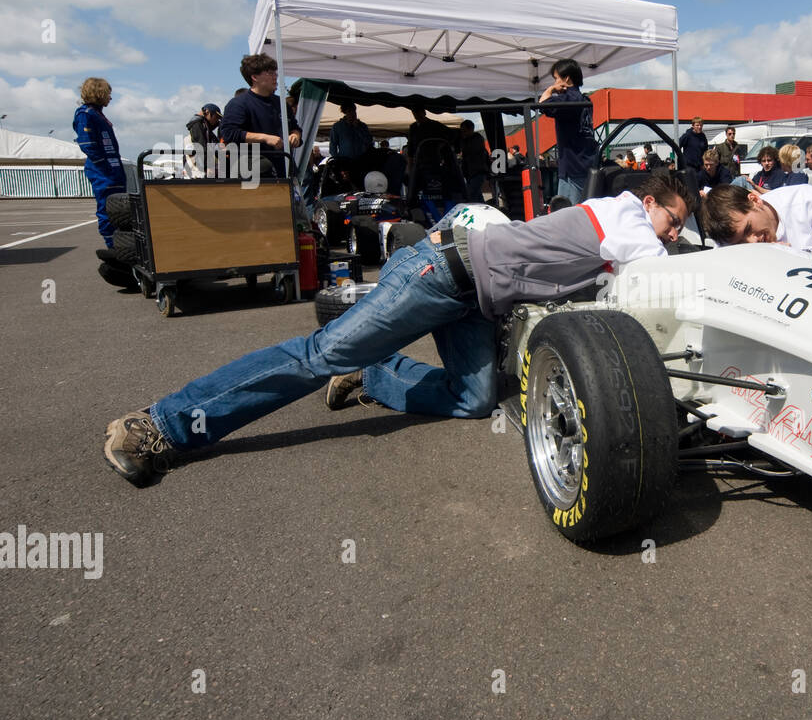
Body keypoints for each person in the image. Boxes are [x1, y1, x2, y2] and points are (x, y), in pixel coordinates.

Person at [102, 173, 695, 486]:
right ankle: (158, 425)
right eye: (673, 219)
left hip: (468, 296)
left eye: (677, 227)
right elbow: (666, 273)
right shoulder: (625, 217)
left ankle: (371, 375)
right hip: (437, 271)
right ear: (648, 202)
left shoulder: (629, 228)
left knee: (476, 399)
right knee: (317, 356)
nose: (671, 232)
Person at [220, 55, 302, 178]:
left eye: (275, 72)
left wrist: (295, 135)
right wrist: (264, 138)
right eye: (270, 73)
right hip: (254, 174)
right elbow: (230, 134)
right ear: (254, 77)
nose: (275, 76)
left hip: (285, 170)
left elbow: (295, 127)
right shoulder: (238, 104)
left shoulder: (281, 103)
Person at [73, 77, 127, 248]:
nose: (110, 98)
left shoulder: (98, 114)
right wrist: (105, 166)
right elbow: (88, 145)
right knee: (107, 208)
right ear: (99, 93)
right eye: (108, 94)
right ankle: (111, 244)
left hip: (113, 169)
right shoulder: (85, 114)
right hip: (103, 172)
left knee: (119, 208)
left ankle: (121, 243)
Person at [539, 58, 598, 204]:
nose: (554, 82)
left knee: (567, 213)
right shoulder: (585, 100)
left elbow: (542, 104)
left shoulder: (569, 100)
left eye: (556, 78)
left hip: (572, 167)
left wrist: (550, 90)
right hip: (586, 161)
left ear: (566, 78)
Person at [328, 100, 373, 184]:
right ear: (345, 112)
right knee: (346, 185)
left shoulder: (362, 126)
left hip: (361, 161)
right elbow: (333, 146)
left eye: (354, 111)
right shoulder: (337, 127)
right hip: (345, 162)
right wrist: (338, 162)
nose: (353, 113)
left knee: (361, 184)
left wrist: (357, 128)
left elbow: (369, 141)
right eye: (350, 111)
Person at [184, 103, 222, 177]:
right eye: (216, 117)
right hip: (199, 170)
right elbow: (200, 145)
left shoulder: (203, 125)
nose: (217, 120)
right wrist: (206, 167)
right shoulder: (197, 124)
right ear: (207, 112)